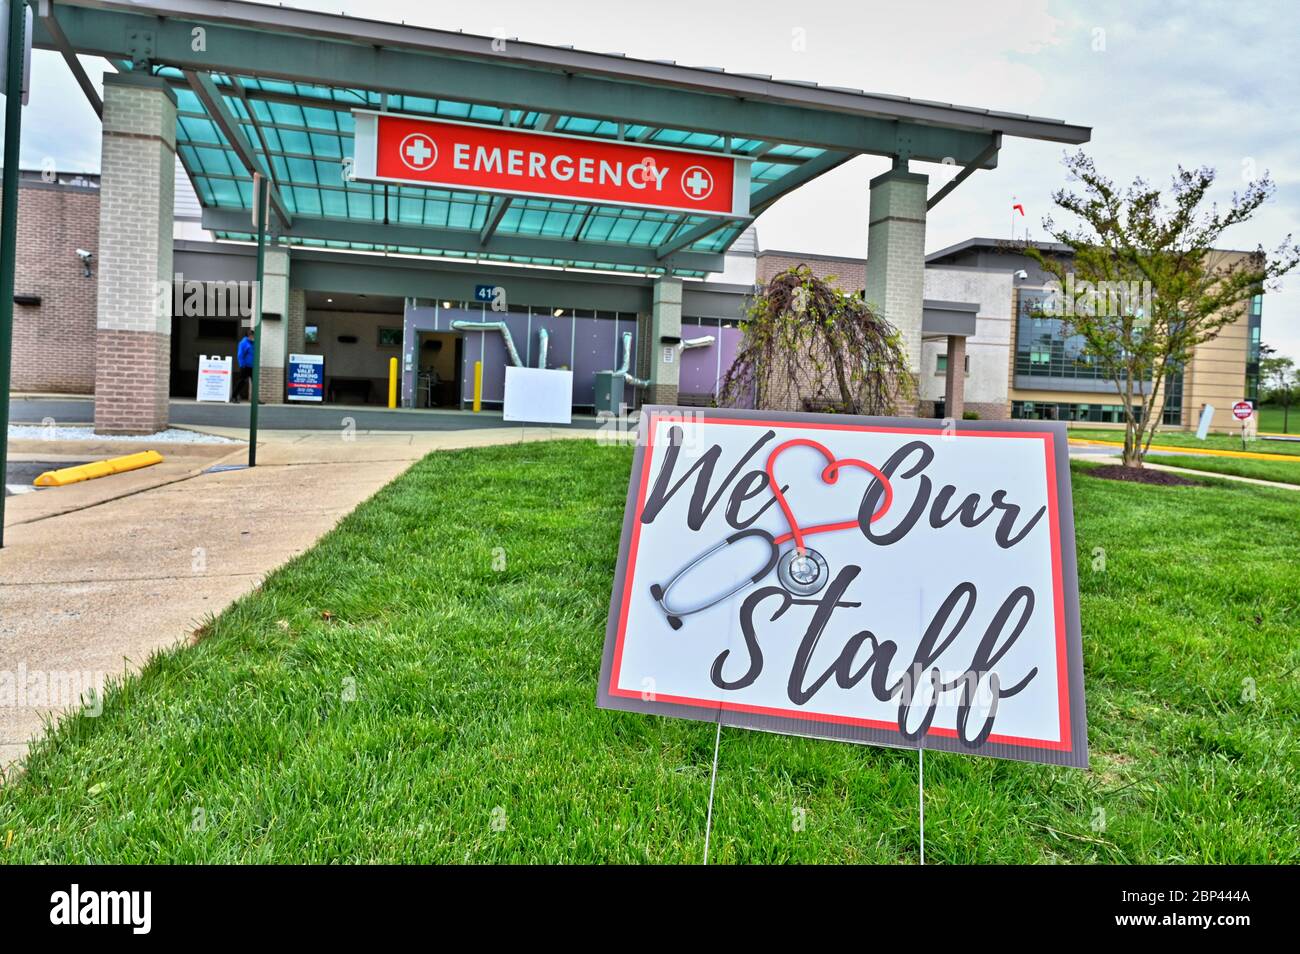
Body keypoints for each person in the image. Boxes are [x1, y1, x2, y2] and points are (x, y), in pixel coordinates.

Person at [234, 327, 254, 403]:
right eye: (251, 335)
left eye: (253, 335)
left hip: (252, 367)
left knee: (255, 383)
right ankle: (234, 397)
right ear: (248, 336)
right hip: (245, 366)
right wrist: (242, 365)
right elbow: (240, 355)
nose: (253, 337)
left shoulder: (253, 343)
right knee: (241, 382)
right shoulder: (243, 343)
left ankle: (255, 399)